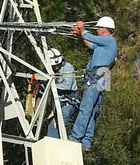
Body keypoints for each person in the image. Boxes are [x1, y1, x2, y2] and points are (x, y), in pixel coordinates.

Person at [68, 16, 117, 149]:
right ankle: (86, 141)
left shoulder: (109, 41)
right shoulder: (105, 45)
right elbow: (89, 43)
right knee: (92, 109)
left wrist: (82, 29)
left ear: (104, 29)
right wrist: (80, 36)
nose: (97, 31)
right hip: (100, 77)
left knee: (86, 108)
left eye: (98, 28)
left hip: (96, 77)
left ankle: (75, 137)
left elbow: (91, 38)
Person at [44, 47, 79, 139]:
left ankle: (61, 142)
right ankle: (52, 146)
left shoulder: (68, 67)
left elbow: (66, 86)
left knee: (63, 117)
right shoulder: (47, 70)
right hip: (57, 105)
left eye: (58, 65)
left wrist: (52, 82)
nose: (56, 67)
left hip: (69, 102)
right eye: (54, 66)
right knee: (51, 128)